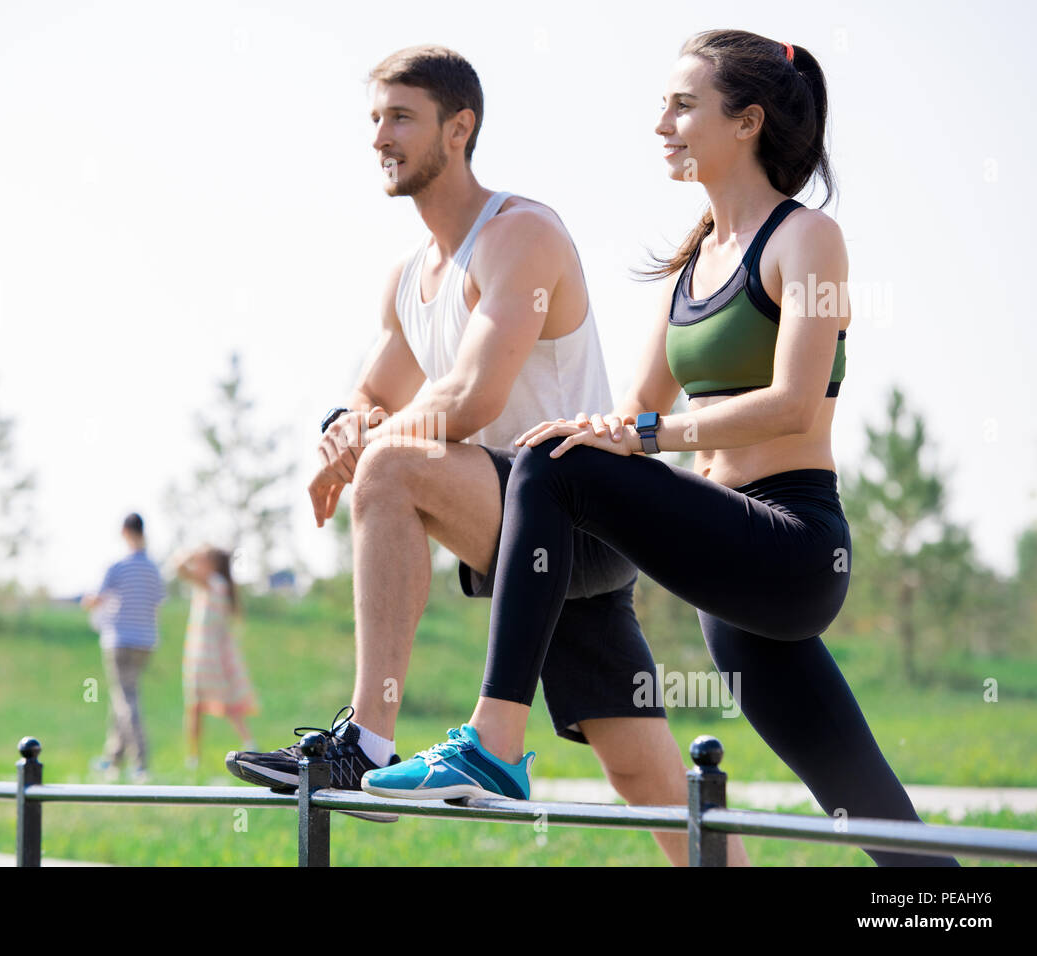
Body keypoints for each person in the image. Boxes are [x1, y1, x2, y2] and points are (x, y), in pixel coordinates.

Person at [362, 30, 959, 868]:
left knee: (554, 463)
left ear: (746, 122)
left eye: (682, 106)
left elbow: (789, 405)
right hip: (730, 596)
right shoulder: (694, 258)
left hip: (793, 547)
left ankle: (495, 741)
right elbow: (636, 405)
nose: (661, 125)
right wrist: (618, 430)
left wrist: (640, 438)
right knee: (879, 819)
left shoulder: (806, 239)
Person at [225, 44, 745, 862]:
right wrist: (346, 424)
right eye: (373, 119)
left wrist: (368, 446)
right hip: (525, 543)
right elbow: (375, 395)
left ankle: (365, 742)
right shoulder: (409, 276)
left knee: (391, 469)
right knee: (646, 779)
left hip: (582, 518)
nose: (379, 138)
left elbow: (469, 401)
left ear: (459, 128)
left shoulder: (520, 236)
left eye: (401, 117)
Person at [82, 513, 165, 783]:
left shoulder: (118, 566)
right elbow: (157, 603)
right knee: (123, 697)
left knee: (126, 699)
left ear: (125, 532)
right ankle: (112, 758)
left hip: (120, 640)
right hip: (145, 641)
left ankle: (140, 762)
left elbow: (98, 599)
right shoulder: (153, 568)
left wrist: (88, 601)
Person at [172, 544, 256, 769]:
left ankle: (194, 757)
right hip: (213, 653)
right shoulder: (221, 585)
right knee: (225, 703)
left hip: (204, 655)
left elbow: (178, 566)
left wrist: (190, 552)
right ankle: (248, 743)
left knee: (196, 706)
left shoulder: (212, 583)